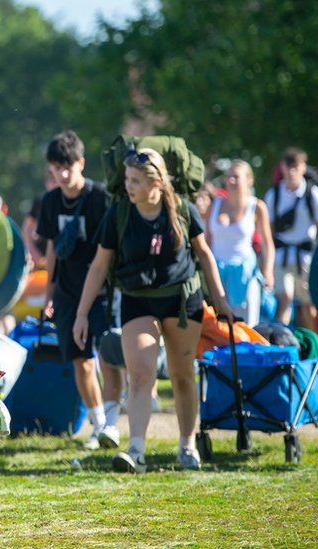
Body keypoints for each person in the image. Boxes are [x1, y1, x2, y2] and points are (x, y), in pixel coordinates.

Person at [74, 148, 231, 473]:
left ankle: (187, 447)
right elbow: (99, 265)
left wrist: (221, 299)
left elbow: (204, 255)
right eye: (127, 180)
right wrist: (81, 313)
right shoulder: (119, 214)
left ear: (157, 182)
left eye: (135, 181)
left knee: (182, 375)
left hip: (182, 300)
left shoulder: (183, 211)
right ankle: (136, 451)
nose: (128, 187)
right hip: (137, 299)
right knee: (141, 372)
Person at [36, 131, 122, 450]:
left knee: (110, 357)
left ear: (81, 163)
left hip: (103, 292)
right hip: (68, 293)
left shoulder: (101, 197)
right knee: (80, 360)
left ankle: (112, 424)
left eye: (67, 166)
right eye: (56, 167)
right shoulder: (49, 201)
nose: (62, 173)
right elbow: (52, 249)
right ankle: (99, 425)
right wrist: (49, 293)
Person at [204, 160, 275, 326]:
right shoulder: (214, 205)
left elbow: (267, 243)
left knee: (246, 325)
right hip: (217, 273)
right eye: (228, 177)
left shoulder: (256, 206)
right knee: (217, 325)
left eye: (236, 177)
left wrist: (268, 271)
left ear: (249, 180)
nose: (231, 181)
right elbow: (206, 241)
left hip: (245, 272)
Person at [264, 147, 318, 327]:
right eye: (288, 166)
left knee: (308, 304)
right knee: (284, 300)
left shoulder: (312, 194)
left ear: (303, 168)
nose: (291, 170)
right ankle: (283, 343)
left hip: (306, 258)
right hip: (281, 256)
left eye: (296, 166)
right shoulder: (274, 195)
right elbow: (268, 231)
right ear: (282, 167)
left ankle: (313, 344)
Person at [24, 169, 59, 269]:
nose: (53, 183)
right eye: (50, 179)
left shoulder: (70, 203)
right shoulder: (41, 201)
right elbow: (27, 228)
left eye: (55, 180)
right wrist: (33, 252)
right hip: (40, 260)